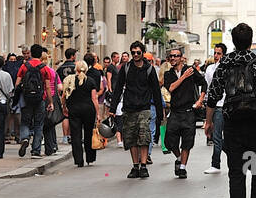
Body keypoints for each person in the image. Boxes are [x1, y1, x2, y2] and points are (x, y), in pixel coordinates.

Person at [206, 23, 256, 198]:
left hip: (233, 124)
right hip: (255, 123)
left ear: (233, 42)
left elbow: (213, 95)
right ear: (250, 42)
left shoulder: (223, 64)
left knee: (237, 171)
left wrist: (208, 122)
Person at [111, 41, 165, 179]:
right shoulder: (126, 68)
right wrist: (113, 107)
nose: (135, 55)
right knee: (131, 138)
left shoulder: (149, 69)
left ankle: (144, 166)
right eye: (133, 52)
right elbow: (118, 88)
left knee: (144, 136)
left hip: (144, 107)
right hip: (129, 107)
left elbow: (156, 91)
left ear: (142, 53)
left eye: (138, 52)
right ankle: (135, 166)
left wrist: (160, 113)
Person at [163, 48, 207, 178]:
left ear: (181, 57)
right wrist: (183, 77)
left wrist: (200, 100)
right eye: (170, 56)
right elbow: (170, 88)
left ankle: (182, 167)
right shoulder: (168, 74)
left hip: (188, 112)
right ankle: (178, 157)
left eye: (175, 56)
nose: (173, 58)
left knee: (187, 141)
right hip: (175, 112)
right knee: (170, 141)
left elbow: (204, 84)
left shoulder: (191, 70)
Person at [16, 45, 56, 158]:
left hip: (26, 98)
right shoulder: (44, 68)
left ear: (31, 53)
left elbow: (17, 83)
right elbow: (48, 87)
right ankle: (36, 150)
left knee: (25, 121)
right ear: (40, 54)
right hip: (40, 99)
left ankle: (24, 138)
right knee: (39, 124)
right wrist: (50, 102)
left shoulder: (24, 66)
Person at [62, 59, 101, 167]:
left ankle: (79, 160)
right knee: (89, 134)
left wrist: (64, 107)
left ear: (76, 69)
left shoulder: (70, 80)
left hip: (74, 110)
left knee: (75, 135)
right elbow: (94, 99)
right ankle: (90, 157)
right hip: (88, 109)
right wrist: (98, 113)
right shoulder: (90, 81)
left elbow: (64, 95)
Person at [203, 42, 227, 173]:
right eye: (215, 53)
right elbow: (208, 88)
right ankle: (216, 164)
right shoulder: (209, 69)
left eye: (219, 53)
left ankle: (216, 163)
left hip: (224, 104)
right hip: (214, 105)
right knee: (216, 135)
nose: (216, 56)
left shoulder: (227, 68)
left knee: (221, 136)